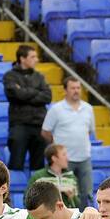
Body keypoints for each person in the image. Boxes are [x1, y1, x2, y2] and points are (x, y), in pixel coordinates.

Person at [42, 76, 96, 209]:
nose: (76, 91)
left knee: (87, 194)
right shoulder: (56, 109)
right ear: (65, 90)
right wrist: (57, 147)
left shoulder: (88, 108)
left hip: (84, 158)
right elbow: (45, 132)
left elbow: (89, 131)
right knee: (65, 194)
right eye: (73, 88)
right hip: (64, 160)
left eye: (78, 88)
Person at [3, 45, 51, 171]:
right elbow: (16, 95)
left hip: (39, 125)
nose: (36, 59)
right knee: (16, 164)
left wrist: (25, 92)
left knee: (39, 167)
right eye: (33, 57)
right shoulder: (10, 76)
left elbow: (47, 96)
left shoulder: (39, 76)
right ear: (22, 59)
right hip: (20, 125)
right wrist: (35, 92)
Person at [29, 144, 78, 208]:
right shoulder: (38, 176)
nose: (67, 158)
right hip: (45, 216)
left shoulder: (71, 177)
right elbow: (29, 200)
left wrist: (72, 197)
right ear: (54, 158)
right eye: (64, 155)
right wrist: (56, 189)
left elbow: (77, 204)